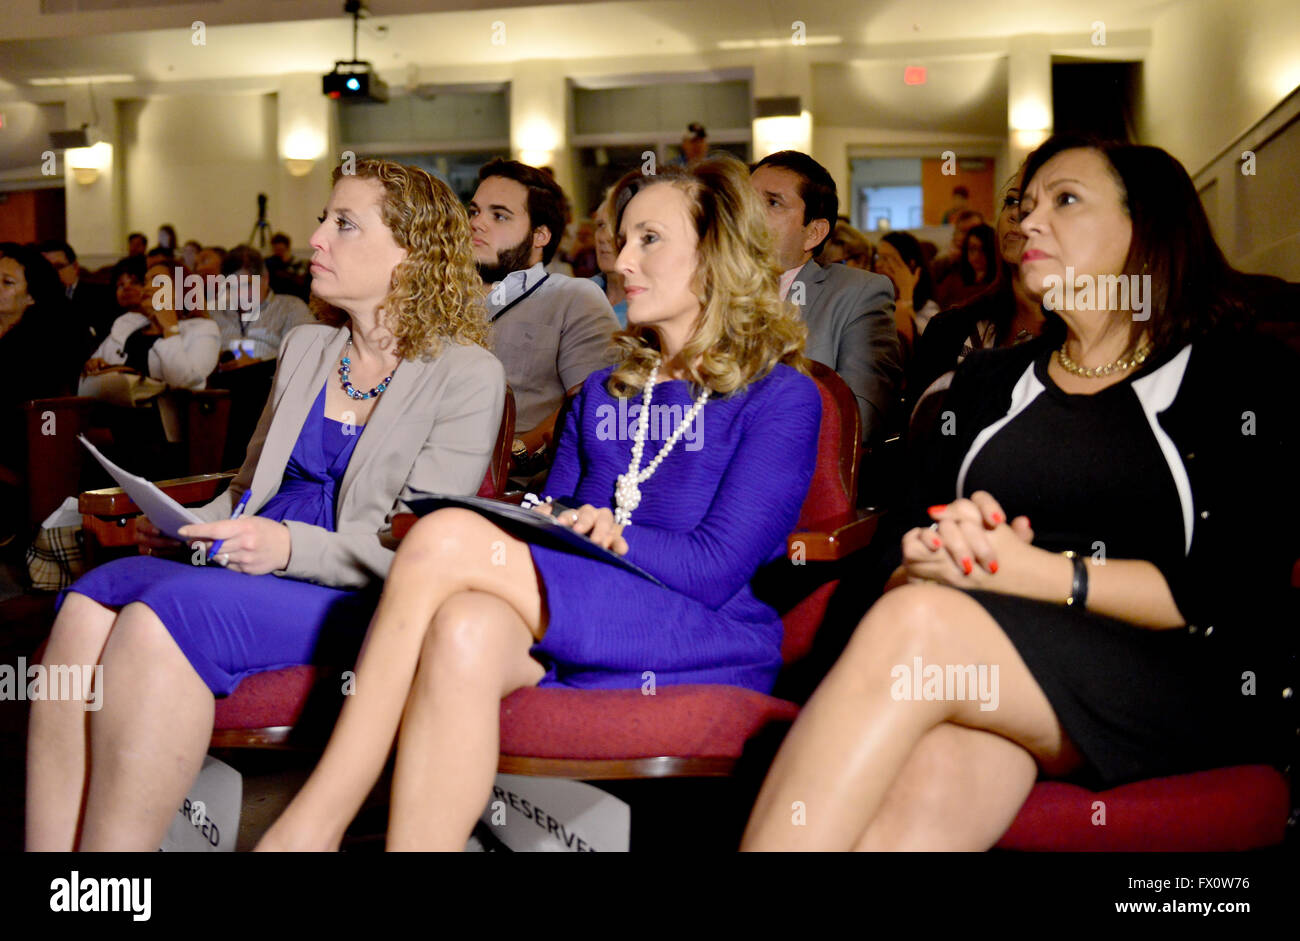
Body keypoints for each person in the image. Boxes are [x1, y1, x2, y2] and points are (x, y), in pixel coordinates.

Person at [740, 135, 1297, 851]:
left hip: (1180, 673)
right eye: (1028, 204)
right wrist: (932, 552)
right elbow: (899, 539)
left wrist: (1033, 571)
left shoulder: (1239, 374)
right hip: (997, 672)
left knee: (921, 628)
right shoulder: (988, 383)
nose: (1029, 221)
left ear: (1146, 225)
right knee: (935, 769)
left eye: (1065, 200)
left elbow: (1236, 587)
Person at [255, 154, 822, 851]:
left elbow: (713, 567)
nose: (621, 262)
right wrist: (559, 524)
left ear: (714, 254)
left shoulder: (781, 394)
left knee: (442, 537)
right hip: (592, 609)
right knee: (464, 624)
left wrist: (607, 535)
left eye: (651, 239)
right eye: (623, 237)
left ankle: (313, 821)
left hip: (702, 625)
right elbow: (556, 532)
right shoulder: (601, 393)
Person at [26, 158, 507, 852]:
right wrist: (186, 518)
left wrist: (285, 547)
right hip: (253, 556)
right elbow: (249, 486)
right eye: (323, 221)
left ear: (411, 252)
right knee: (81, 606)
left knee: (152, 621)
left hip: (358, 595)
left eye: (344, 224)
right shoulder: (309, 347)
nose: (316, 239)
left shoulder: (466, 373)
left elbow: (423, 549)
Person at [468, 157, 619, 477]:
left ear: (540, 236)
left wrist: (512, 455)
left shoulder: (571, 297)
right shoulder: (442, 298)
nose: (478, 223)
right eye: (475, 211)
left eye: (499, 215)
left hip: (516, 482)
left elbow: (589, 406)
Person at [750, 151, 902, 445]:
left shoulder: (856, 294)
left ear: (814, 233)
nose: (748, 214)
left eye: (772, 202)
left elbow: (861, 418)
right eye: (744, 200)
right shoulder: (702, 292)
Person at [908, 170, 1046, 409]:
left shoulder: (1091, 339)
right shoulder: (948, 330)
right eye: (1011, 201)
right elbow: (921, 432)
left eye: (1036, 204)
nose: (1015, 213)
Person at [0, 244, 71, 550]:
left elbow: (33, 407)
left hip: (22, 441)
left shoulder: (38, 345)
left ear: (30, 297)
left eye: (7, 282)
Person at [82, 261, 220, 391]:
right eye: (146, 282)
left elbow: (185, 382)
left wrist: (170, 329)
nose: (147, 287)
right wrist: (98, 365)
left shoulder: (203, 328)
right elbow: (93, 368)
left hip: (163, 413)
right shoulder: (129, 324)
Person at [210, 244, 314, 363]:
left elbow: (307, 355)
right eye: (231, 287)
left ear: (265, 278)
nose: (238, 294)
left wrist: (259, 363)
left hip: (271, 378)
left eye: (246, 285)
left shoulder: (291, 308)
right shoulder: (214, 313)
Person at [38, 238, 116, 361]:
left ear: (75, 267)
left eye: (58, 267)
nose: (52, 273)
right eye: (46, 268)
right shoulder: (36, 300)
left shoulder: (101, 295)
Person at [875, 230, 940, 348]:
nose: (879, 264)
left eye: (887, 258)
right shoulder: (875, 300)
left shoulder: (928, 309)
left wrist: (906, 293)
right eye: (878, 257)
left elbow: (926, 348)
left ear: (910, 264)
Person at [589, 187, 628, 327]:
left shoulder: (652, 306)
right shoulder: (576, 295)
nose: (604, 237)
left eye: (614, 226)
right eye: (600, 225)